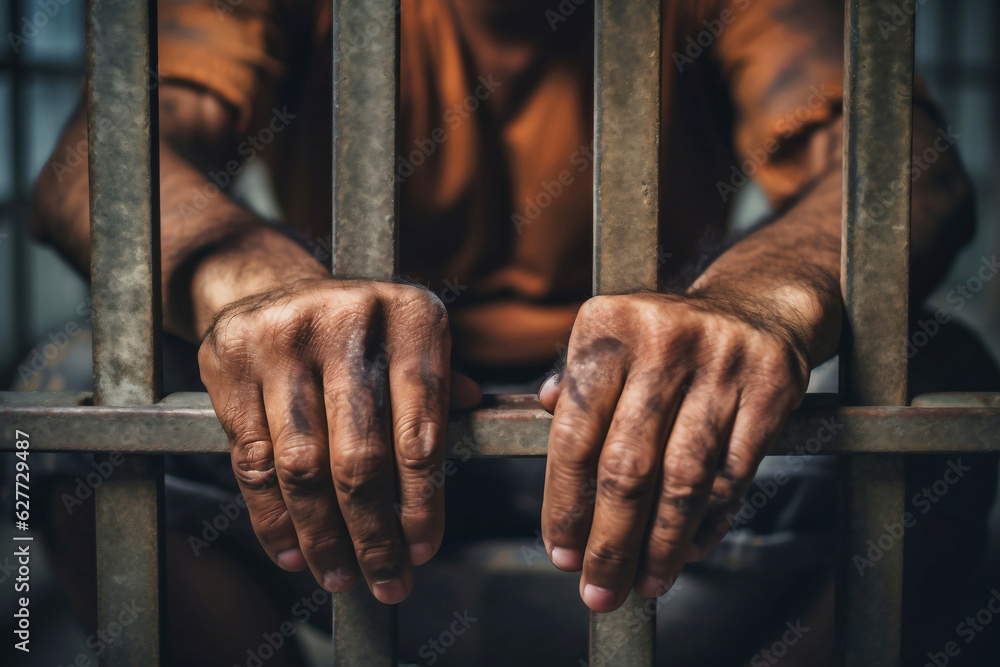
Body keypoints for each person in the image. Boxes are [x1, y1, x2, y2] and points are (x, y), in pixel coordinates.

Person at [29, 0, 996, 665]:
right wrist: (265, 294)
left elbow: (911, 163)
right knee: (73, 391)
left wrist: (759, 297)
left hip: (652, 424)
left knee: (938, 374)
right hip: (347, 418)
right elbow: (92, 158)